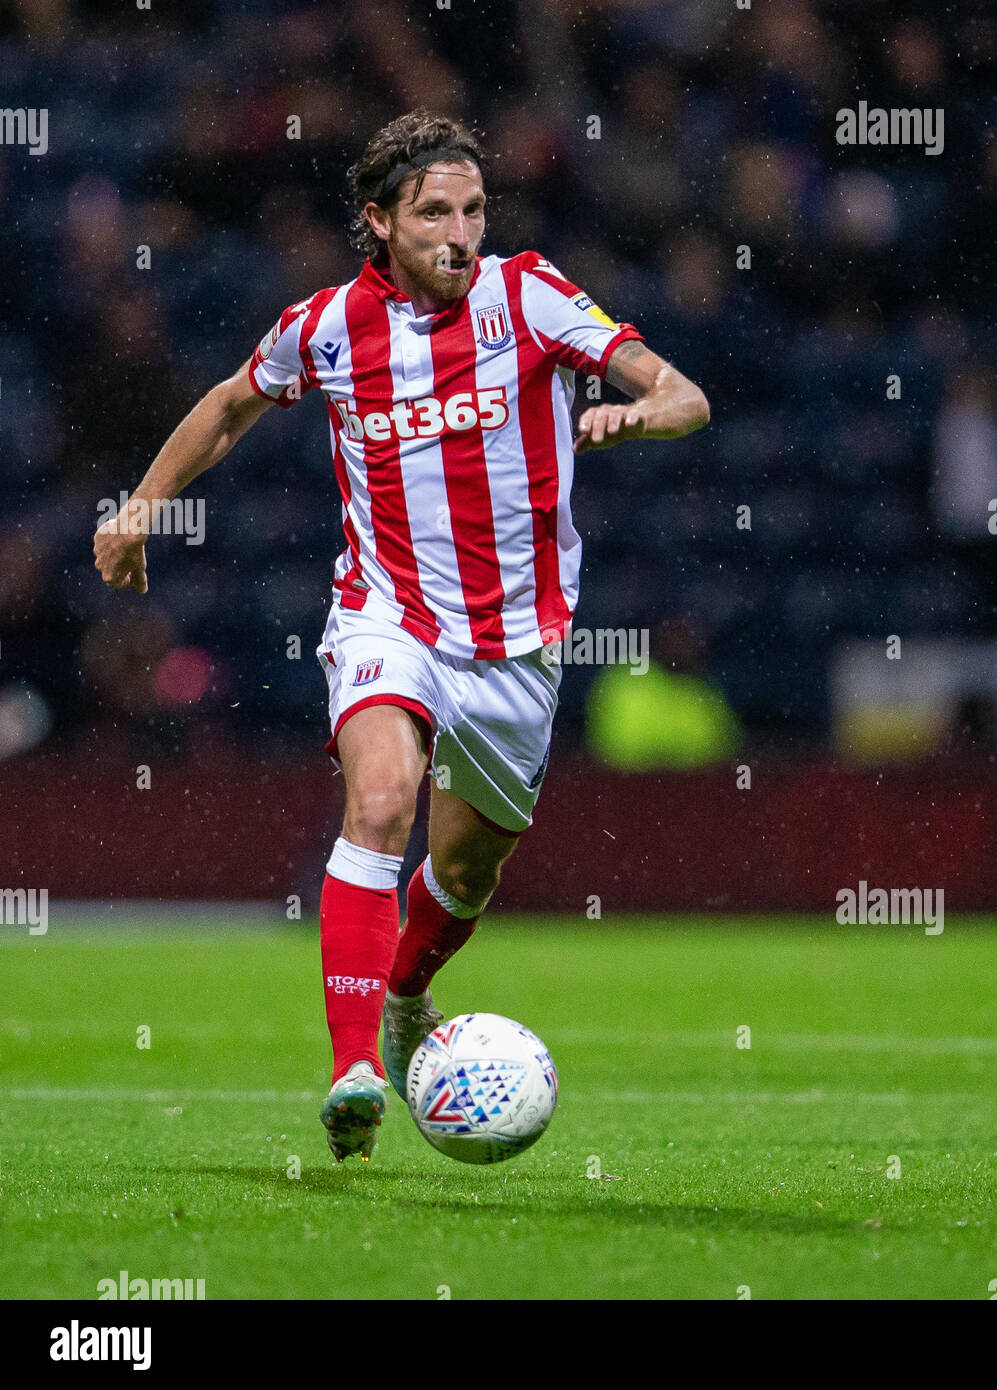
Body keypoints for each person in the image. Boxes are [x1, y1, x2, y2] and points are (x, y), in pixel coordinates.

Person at [92, 111, 710, 1162]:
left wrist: (641, 409)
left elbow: (681, 390)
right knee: (379, 803)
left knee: (464, 878)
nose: (459, 233)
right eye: (433, 213)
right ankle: (352, 1072)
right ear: (378, 222)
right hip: (389, 615)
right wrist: (141, 504)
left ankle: (404, 992)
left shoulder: (532, 296)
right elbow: (233, 404)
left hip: (518, 646)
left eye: (472, 210)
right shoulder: (326, 326)